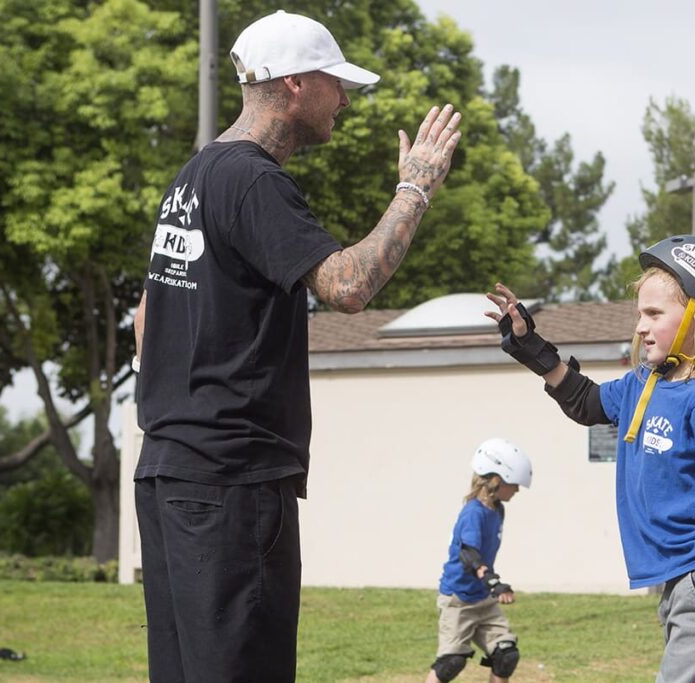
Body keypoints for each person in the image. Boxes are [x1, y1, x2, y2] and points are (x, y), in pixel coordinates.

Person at [131, 9, 462, 683]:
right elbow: (346, 285)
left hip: (170, 473)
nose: (344, 99)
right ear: (294, 85)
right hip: (231, 484)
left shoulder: (192, 178)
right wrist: (415, 190)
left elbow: (146, 314)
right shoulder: (252, 179)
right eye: (335, 83)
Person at [485, 235, 695, 683]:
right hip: (680, 579)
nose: (640, 327)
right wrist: (530, 346)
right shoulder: (643, 385)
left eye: (654, 314)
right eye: (640, 314)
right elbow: (586, 403)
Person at [426, 438, 532, 683]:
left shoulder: (497, 509)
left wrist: (490, 586)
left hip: (483, 599)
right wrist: (493, 581)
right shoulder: (473, 512)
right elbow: (469, 554)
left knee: (506, 656)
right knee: (450, 663)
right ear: (495, 480)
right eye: (513, 484)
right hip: (459, 600)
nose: (516, 490)